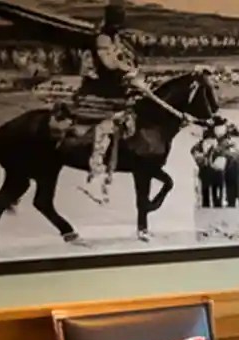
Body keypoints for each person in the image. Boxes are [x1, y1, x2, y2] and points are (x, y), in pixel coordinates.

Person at [75, 0, 144, 204]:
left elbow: (128, 59)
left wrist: (132, 69)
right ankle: (95, 174)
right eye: (118, 20)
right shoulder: (103, 39)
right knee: (106, 126)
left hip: (116, 88)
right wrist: (127, 70)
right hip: (100, 90)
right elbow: (108, 63)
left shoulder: (117, 38)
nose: (120, 24)